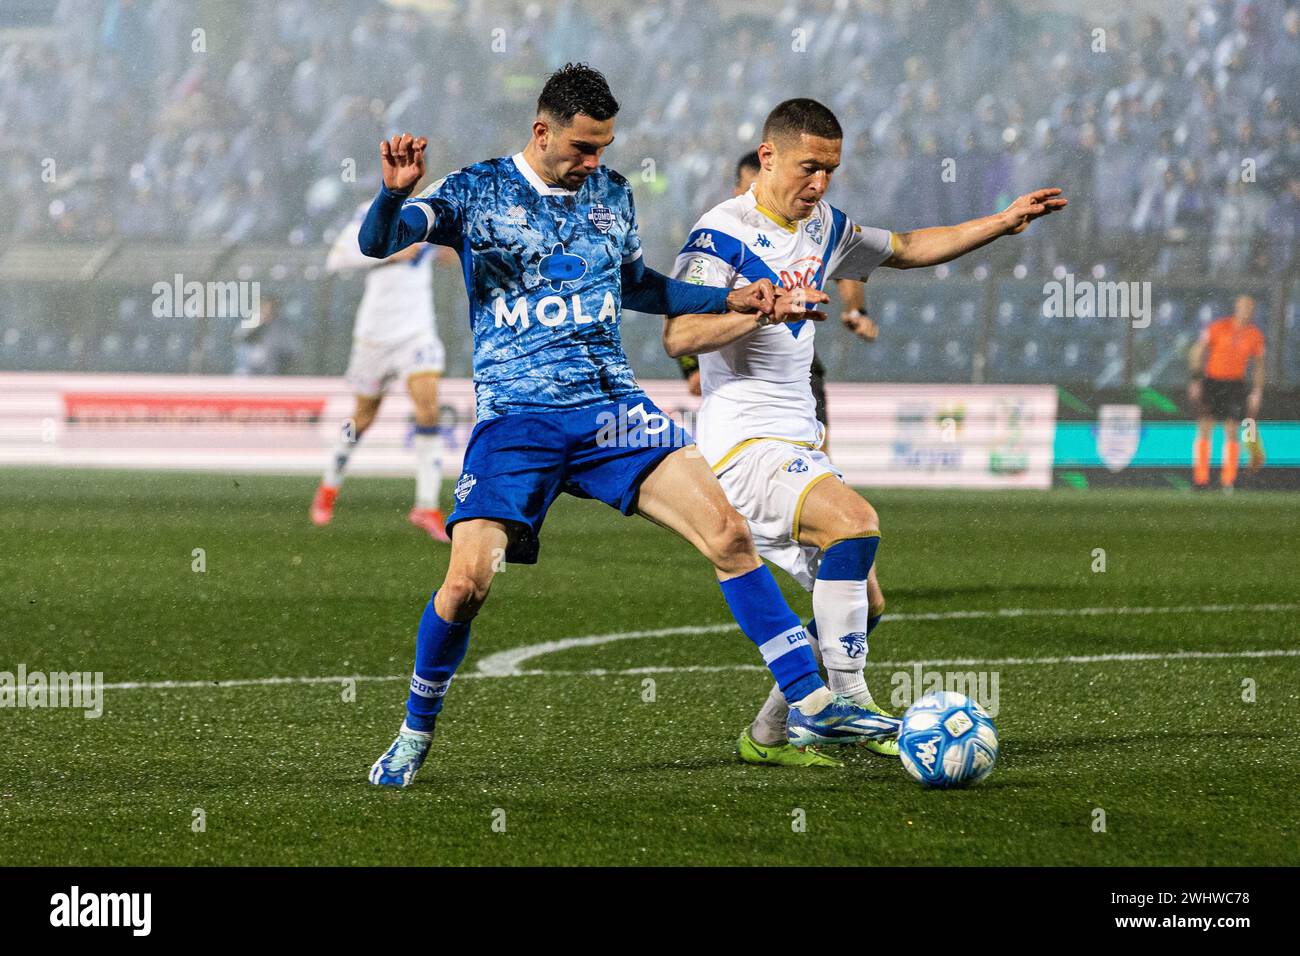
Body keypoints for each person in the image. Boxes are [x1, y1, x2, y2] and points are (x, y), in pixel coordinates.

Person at [358, 66, 901, 787]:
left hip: (615, 412)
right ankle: (413, 733)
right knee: (465, 587)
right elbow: (380, 240)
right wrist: (394, 192)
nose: (595, 163)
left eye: (604, 148)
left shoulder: (611, 194)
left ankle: (812, 700)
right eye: (582, 149)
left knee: (730, 535)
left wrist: (732, 295)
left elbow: (638, 285)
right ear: (541, 131)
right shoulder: (475, 191)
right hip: (519, 422)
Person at [664, 97, 1066, 768]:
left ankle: (769, 734)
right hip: (742, 443)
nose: (819, 184)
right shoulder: (718, 236)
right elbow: (679, 332)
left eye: (831, 170)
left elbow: (906, 249)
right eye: (808, 168)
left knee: (864, 604)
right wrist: (765, 312)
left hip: (796, 440)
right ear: (767, 157)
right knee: (854, 523)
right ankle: (843, 702)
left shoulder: (823, 225)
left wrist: (1002, 221)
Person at [310, 196, 451, 540]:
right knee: (363, 416)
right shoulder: (372, 211)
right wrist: (389, 250)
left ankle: (426, 505)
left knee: (429, 408)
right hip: (375, 336)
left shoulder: (435, 209)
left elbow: (451, 250)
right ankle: (329, 484)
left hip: (417, 331)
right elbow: (337, 257)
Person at [1188, 294, 1266, 491]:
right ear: (1236, 308)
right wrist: (1196, 379)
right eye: (1243, 307)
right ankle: (1201, 480)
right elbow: (1197, 350)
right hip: (1213, 381)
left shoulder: (1255, 335)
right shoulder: (1218, 327)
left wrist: (1257, 391)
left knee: (1232, 430)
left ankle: (1228, 481)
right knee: (1205, 427)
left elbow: (1259, 365)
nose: (1246, 311)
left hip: (1235, 385)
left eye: (1249, 308)